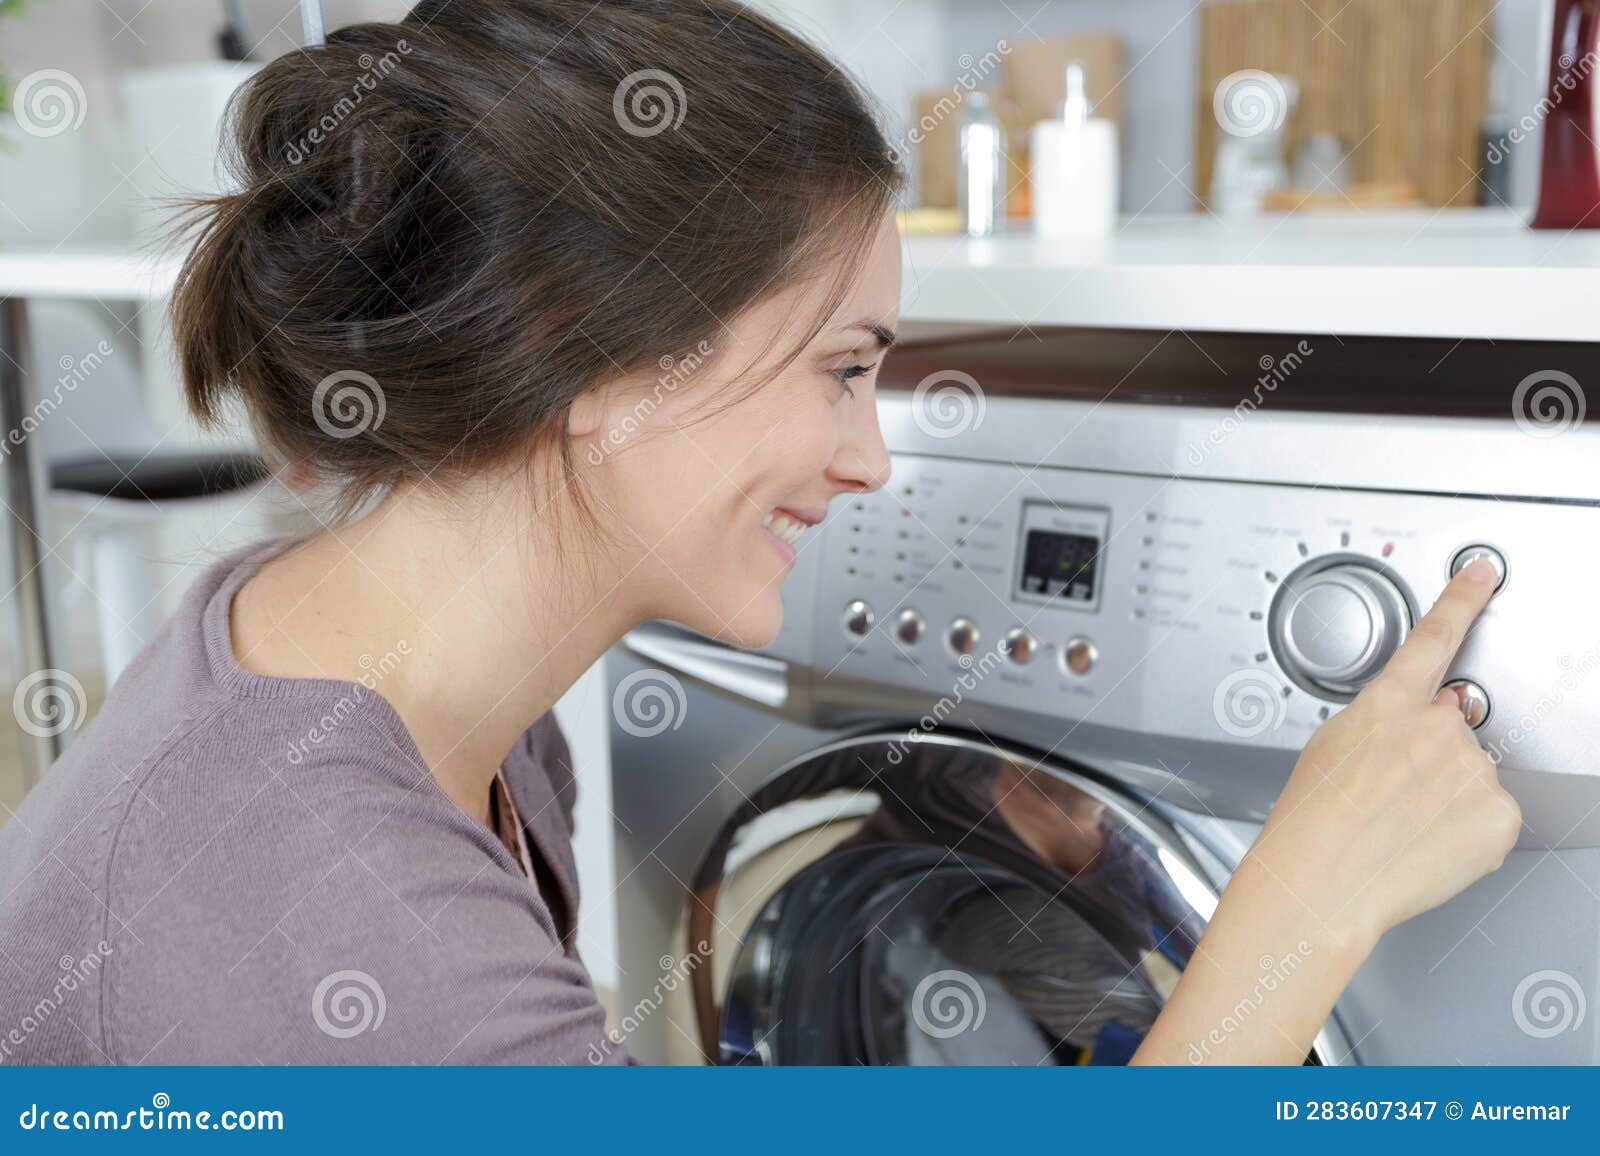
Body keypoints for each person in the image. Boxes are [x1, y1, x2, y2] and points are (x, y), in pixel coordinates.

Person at [0, 0, 1518, 1065]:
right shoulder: (352, 920)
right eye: (844, 372)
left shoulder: (388, 667)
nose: (870, 459)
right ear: (593, 351)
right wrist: (1302, 911)